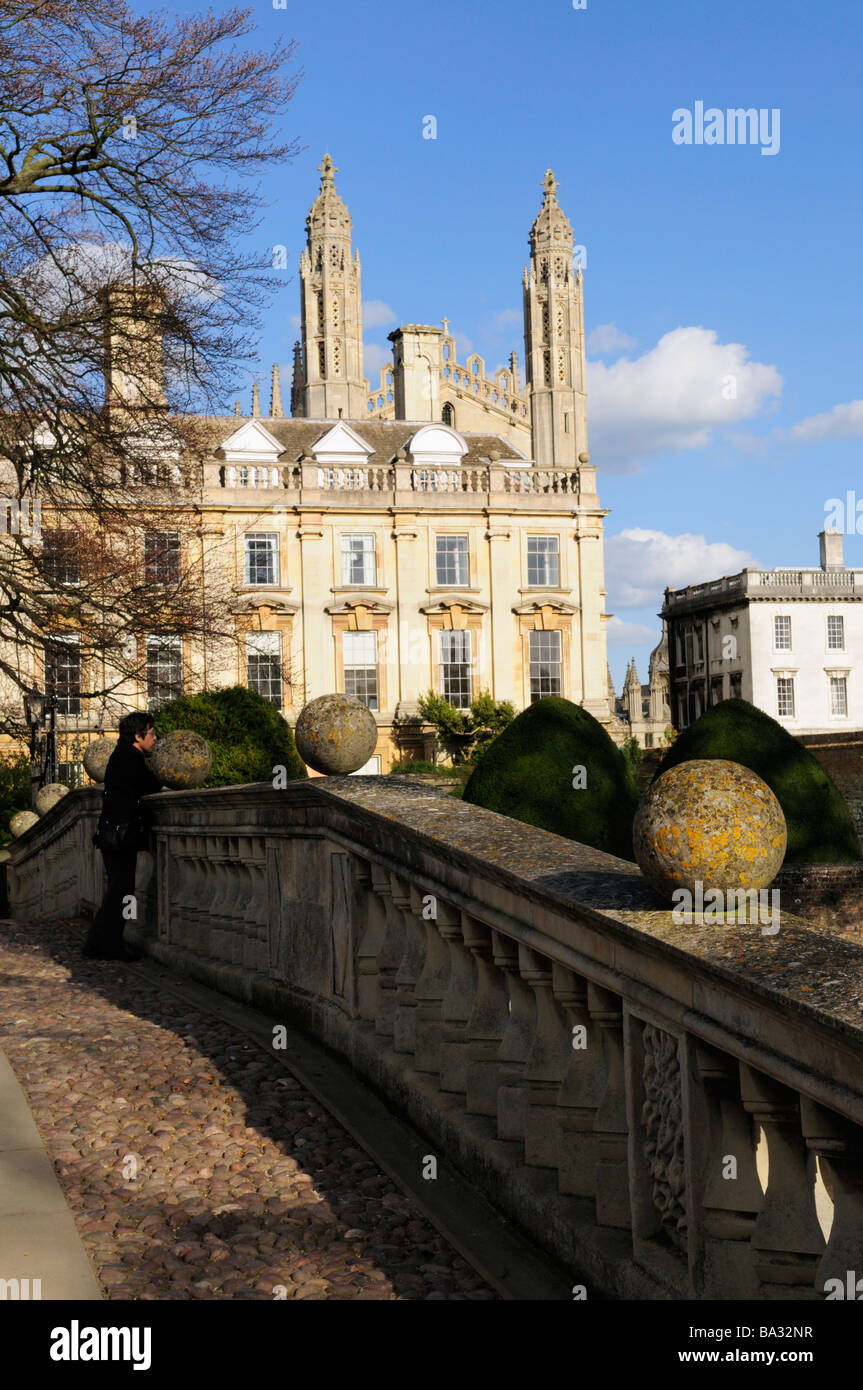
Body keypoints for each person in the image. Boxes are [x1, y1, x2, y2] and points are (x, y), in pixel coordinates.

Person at [83, 712, 162, 961]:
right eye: (151, 733)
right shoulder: (130, 758)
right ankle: (107, 945)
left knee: (117, 892)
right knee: (121, 892)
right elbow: (150, 785)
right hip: (121, 836)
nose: (155, 738)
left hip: (113, 834)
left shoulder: (122, 755)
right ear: (138, 736)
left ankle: (100, 943)